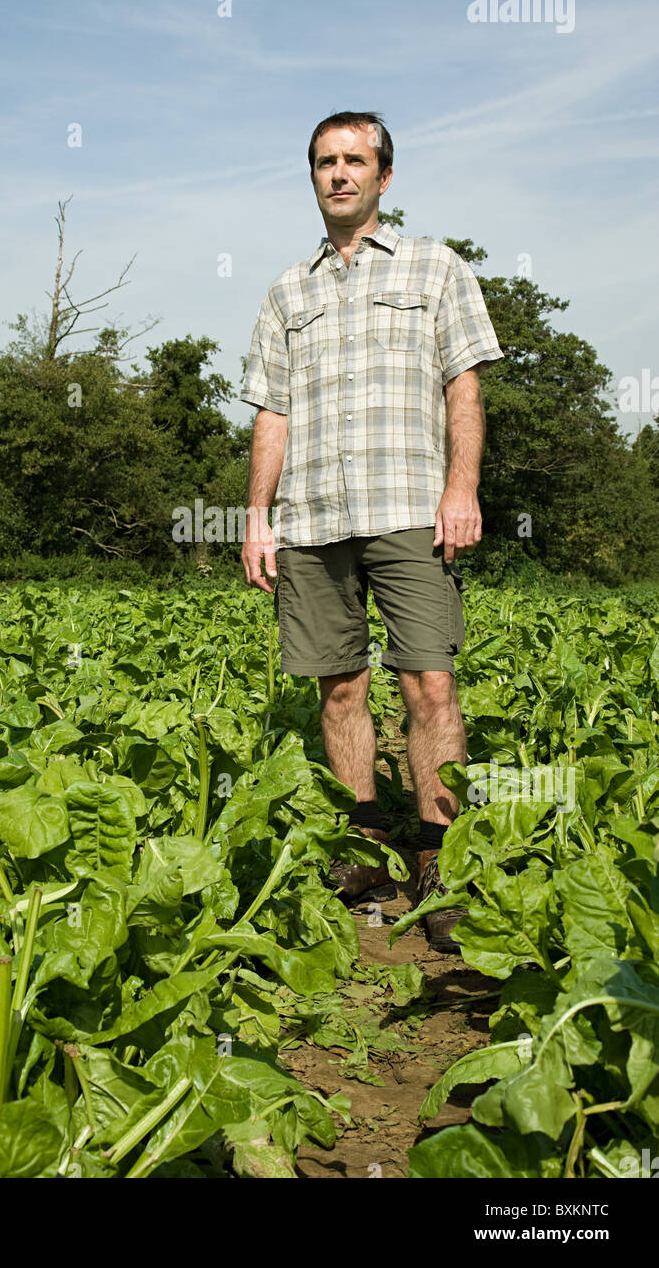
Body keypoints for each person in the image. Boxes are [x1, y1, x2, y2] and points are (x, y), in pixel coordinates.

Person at [239, 111, 504, 953]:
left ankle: (438, 858)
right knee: (339, 686)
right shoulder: (289, 290)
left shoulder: (436, 266)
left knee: (428, 684)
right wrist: (256, 513)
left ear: (384, 178)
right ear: (311, 177)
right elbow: (273, 412)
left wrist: (461, 487)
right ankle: (362, 853)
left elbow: (464, 385)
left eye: (357, 160)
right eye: (326, 162)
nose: (340, 174)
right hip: (313, 516)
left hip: (409, 504)